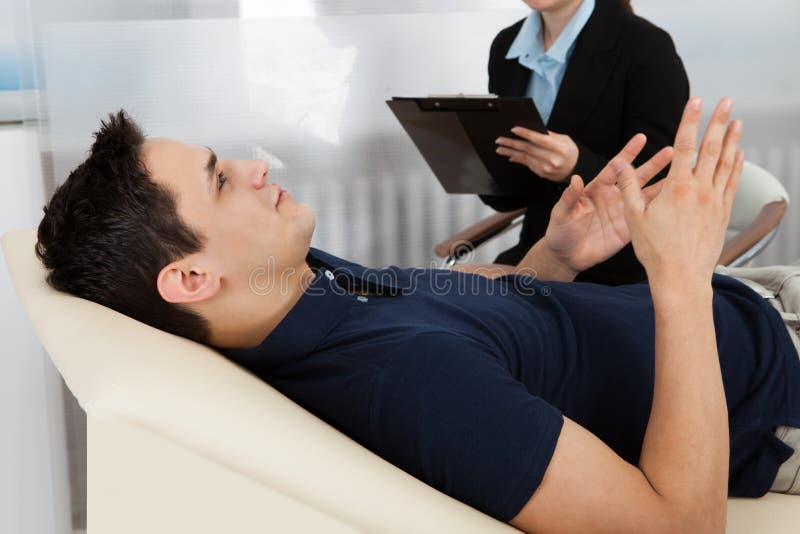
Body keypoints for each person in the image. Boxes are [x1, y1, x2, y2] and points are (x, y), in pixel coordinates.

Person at [35, 98, 800, 533]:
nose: (254, 165)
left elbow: (475, 332)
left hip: (740, 311)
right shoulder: (404, 383)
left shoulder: (296, 290)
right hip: (774, 385)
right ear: (194, 276)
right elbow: (678, 531)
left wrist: (556, 261)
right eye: (221, 180)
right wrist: (684, 277)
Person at [484, 0, 690, 285]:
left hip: (620, 269)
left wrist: (576, 165)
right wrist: (473, 158)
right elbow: (509, 195)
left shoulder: (647, 47)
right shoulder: (507, 46)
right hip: (537, 255)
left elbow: (659, 182)